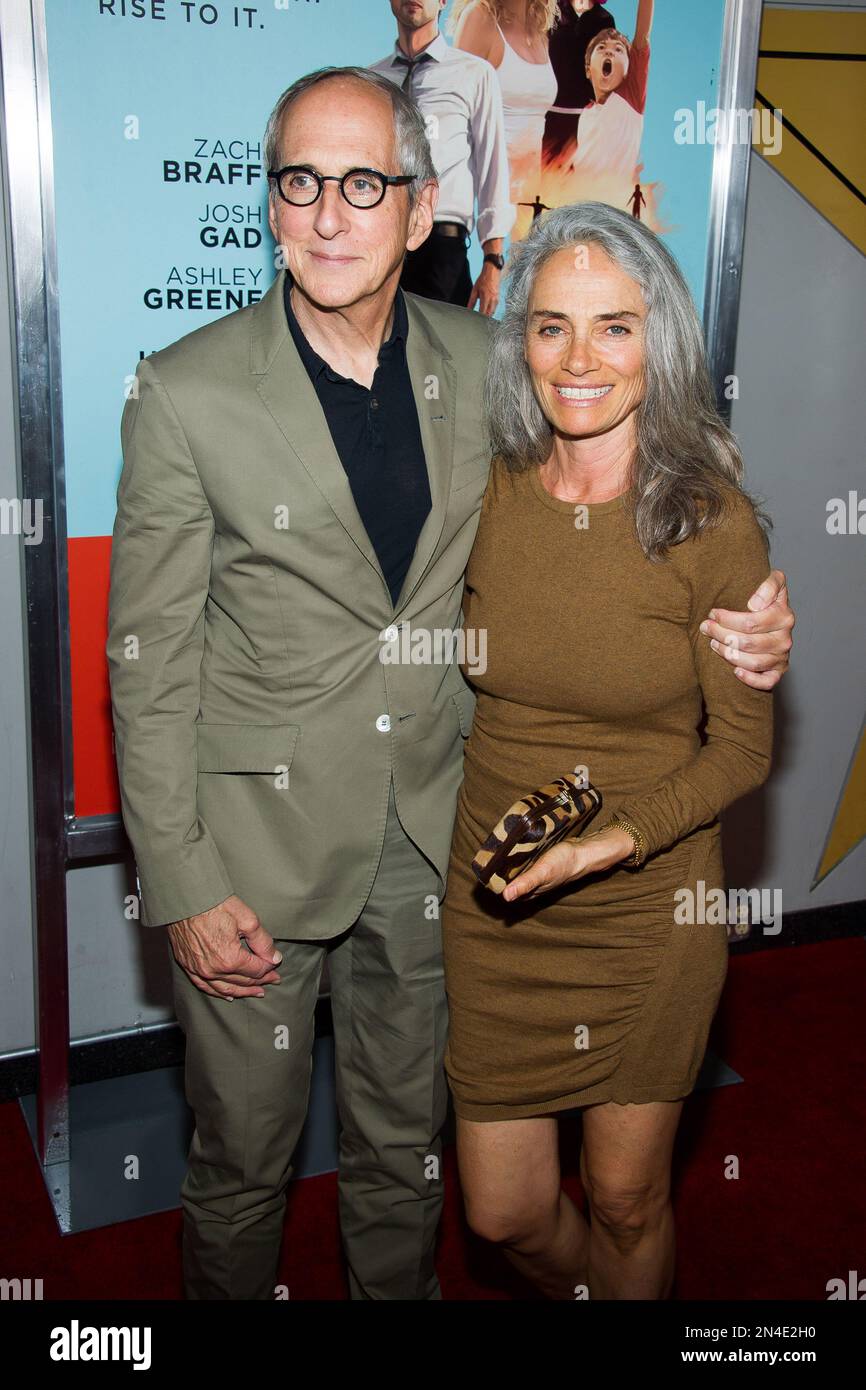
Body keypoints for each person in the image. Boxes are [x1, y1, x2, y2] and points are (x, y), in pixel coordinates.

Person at [107, 67, 795, 1302]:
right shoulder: (186, 389)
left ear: (419, 208)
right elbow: (147, 662)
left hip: (445, 850)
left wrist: (747, 614)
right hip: (252, 857)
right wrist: (183, 880)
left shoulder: (495, 368)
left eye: (362, 183)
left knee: (404, 1161)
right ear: (268, 206)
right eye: (300, 184)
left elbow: (638, 485)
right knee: (242, 1166)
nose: (328, 214)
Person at [441, 201, 780, 1300]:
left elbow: (738, 752)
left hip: (644, 910)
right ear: (520, 343)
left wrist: (609, 844)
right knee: (502, 1212)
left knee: (628, 1199)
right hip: (495, 906)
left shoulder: (707, 519)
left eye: (613, 327)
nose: (578, 358)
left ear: (659, 341)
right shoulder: (485, 490)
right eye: (549, 327)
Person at [370, 0, 514, 314]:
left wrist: (493, 260)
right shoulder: (371, 81)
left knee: (445, 357)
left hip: (443, 247)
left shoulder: (474, 74)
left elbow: (493, 169)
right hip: (382, 242)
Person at [451, 0, 558, 238]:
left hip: (531, 197)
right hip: (491, 201)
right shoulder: (480, 17)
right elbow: (453, 113)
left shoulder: (540, 26)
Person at [569, 0, 653, 207]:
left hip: (613, 206)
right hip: (581, 205)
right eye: (601, 47)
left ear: (629, 70)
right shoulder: (586, 113)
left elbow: (642, 37)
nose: (609, 52)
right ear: (588, 69)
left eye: (618, 50)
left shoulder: (629, 98)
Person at [543, 0, 616, 172]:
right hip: (549, 115)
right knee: (547, 185)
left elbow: (607, 70)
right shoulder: (551, 11)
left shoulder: (604, 19)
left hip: (587, 119)